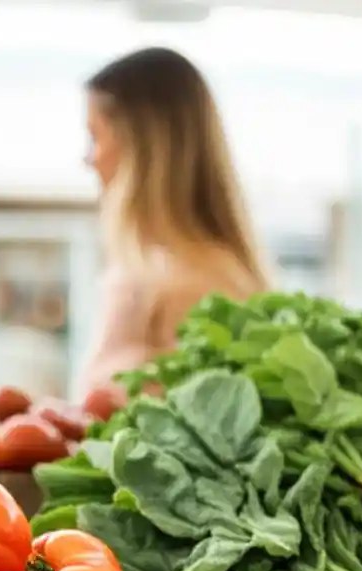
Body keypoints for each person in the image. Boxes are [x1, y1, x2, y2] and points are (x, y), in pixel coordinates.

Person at [79, 47, 270, 396]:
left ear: (142, 148)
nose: (88, 159)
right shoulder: (154, 275)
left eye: (95, 136)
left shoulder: (194, 287)